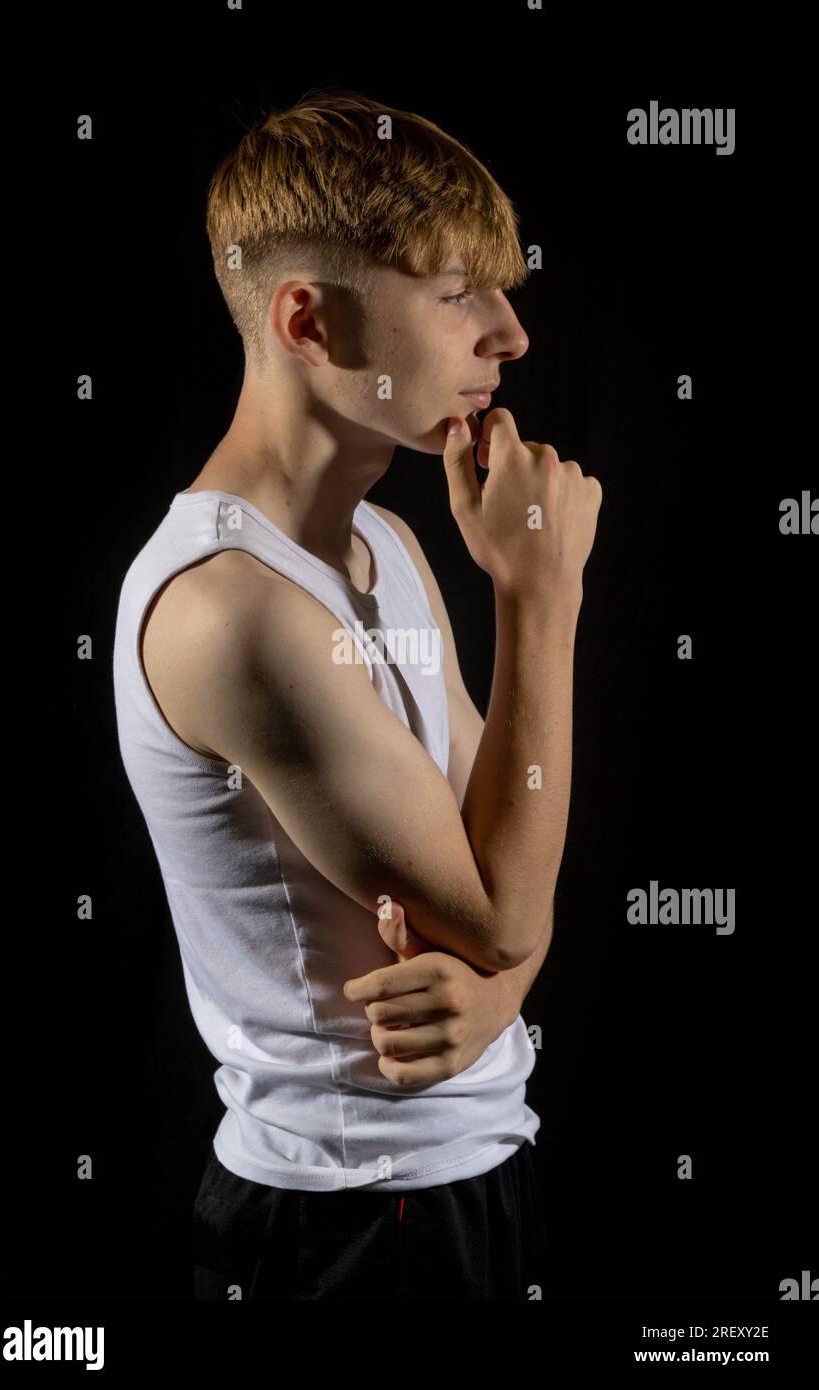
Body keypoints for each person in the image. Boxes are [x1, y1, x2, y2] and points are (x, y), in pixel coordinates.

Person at [112, 86, 601, 1300]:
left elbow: (509, 869)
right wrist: (540, 597)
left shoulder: (385, 541)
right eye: (454, 294)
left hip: (478, 1165)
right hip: (337, 1220)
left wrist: (497, 994)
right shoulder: (230, 609)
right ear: (307, 321)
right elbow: (505, 910)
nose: (508, 335)